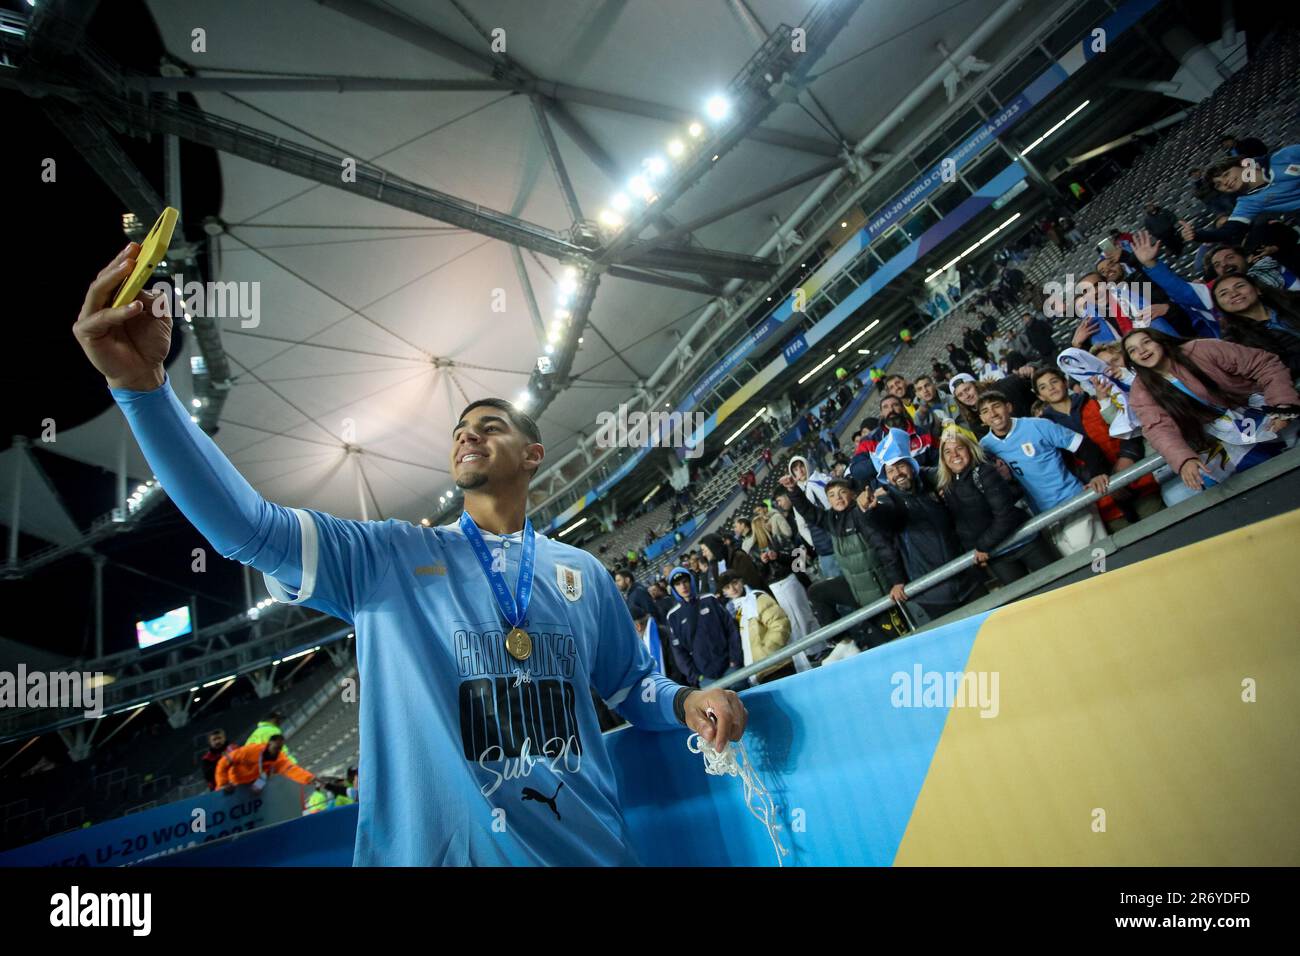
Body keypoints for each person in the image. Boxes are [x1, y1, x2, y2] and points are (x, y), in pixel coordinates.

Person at [75, 242, 744, 866]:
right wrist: (144, 392)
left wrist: (686, 702)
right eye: (459, 431)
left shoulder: (583, 573)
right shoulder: (384, 558)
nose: (468, 436)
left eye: (490, 427)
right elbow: (244, 527)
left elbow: (630, 685)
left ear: (533, 454)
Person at [1122, 329, 1300, 491]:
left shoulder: (1200, 349)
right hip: (1218, 436)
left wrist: (1282, 406)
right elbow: (1158, 429)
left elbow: (1263, 364)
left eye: (1146, 342)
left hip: (1260, 406)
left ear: (1161, 341)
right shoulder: (1140, 391)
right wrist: (1183, 459)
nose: (1142, 351)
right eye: (1133, 350)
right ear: (1131, 361)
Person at [858, 429, 985, 623]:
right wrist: (870, 511)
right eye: (890, 471)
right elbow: (884, 522)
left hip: (969, 580)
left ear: (911, 465)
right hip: (934, 595)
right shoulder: (888, 501)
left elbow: (956, 478)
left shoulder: (932, 482)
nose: (897, 474)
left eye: (900, 466)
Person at [977, 390, 1112, 557]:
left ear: (1008, 407)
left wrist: (1097, 473)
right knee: (1077, 568)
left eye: (996, 406)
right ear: (982, 419)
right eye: (985, 411)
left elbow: (1083, 444)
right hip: (1041, 515)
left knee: (1097, 560)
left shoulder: (1037, 425)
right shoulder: (985, 446)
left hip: (1071, 501)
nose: (992, 414)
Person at [1032, 367, 1163, 527]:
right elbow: (1062, 465)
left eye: (1054, 381)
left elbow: (1130, 431)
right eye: (1043, 387)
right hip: (1100, 495)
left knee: (1162, 525)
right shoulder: (1044, 427)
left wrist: (1127, 460)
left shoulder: (1095, 402)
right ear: (1039, 396)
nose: (1051, 388)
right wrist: (1097, 481)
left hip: (1133, 476)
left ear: (1065, 382)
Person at [778, 473, 894, 648]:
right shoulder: (832, 520)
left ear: (852, 494)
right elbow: (809, 511)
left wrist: (897, 582)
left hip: (877, 588)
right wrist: (793, 490)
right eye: (831, 495)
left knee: (888, 640)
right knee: (816, 592)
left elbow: (886, 548)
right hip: (855, 587)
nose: (837, 497)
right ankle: (842, 643)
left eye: (842, 492)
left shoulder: (861, 513)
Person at [933, 426, 1056, 585]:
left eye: (959, 448)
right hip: (998, 556)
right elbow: (964, 526)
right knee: (1025, 603)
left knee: (1058, 586)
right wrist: (975, 552)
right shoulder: (948, 485)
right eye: (947, 452)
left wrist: (981, 547)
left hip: (1023, 543)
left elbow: (1005, 515)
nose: (954, 455)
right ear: (942, 458)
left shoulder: (985, 472)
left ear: (970, 450)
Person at [664, 567, 744, 686]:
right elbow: (679, 652)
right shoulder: (673, 616)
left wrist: (734, 659)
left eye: (685, 581)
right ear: (674, 589)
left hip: (730, 667)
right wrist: (697, 676)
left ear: (691, 581)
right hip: (706, 678)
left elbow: (731, 629)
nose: (683, 586)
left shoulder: (709, 600)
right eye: (678, 584)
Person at [1210, 274, 1300, 376]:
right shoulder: (1234, 339)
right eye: (1224, 293)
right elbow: (1275, 368)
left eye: (1239, 286)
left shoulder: (1293, 301)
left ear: (1257, 289)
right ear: (1220, 306)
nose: (1234, 294)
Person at [718, 571, 794, 684]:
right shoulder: (731, 611)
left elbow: (780, 624)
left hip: (776, 665)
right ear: (724, 592)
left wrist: (767, 650)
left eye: (735, 583)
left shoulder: (757, 598)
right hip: (760, 670)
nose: (733, 589)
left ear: (741, 581)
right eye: (727, 587)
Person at [788, 455, 841, 579]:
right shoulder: (797, 496)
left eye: (801, 466)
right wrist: (815, 543)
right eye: (795, 469)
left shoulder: (822, 479)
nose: (800, 471)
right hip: (825, 547)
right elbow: (802, 527)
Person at [215, 735, 316, 794]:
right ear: (269, 744)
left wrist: (310, 779)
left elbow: (292, 770)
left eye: (279, 748)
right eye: (276, 747)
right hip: (233, 787)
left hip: (250, 790)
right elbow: (223, 762)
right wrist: (223, 784)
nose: (277, 751)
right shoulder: (250, 751)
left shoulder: (279, 759)